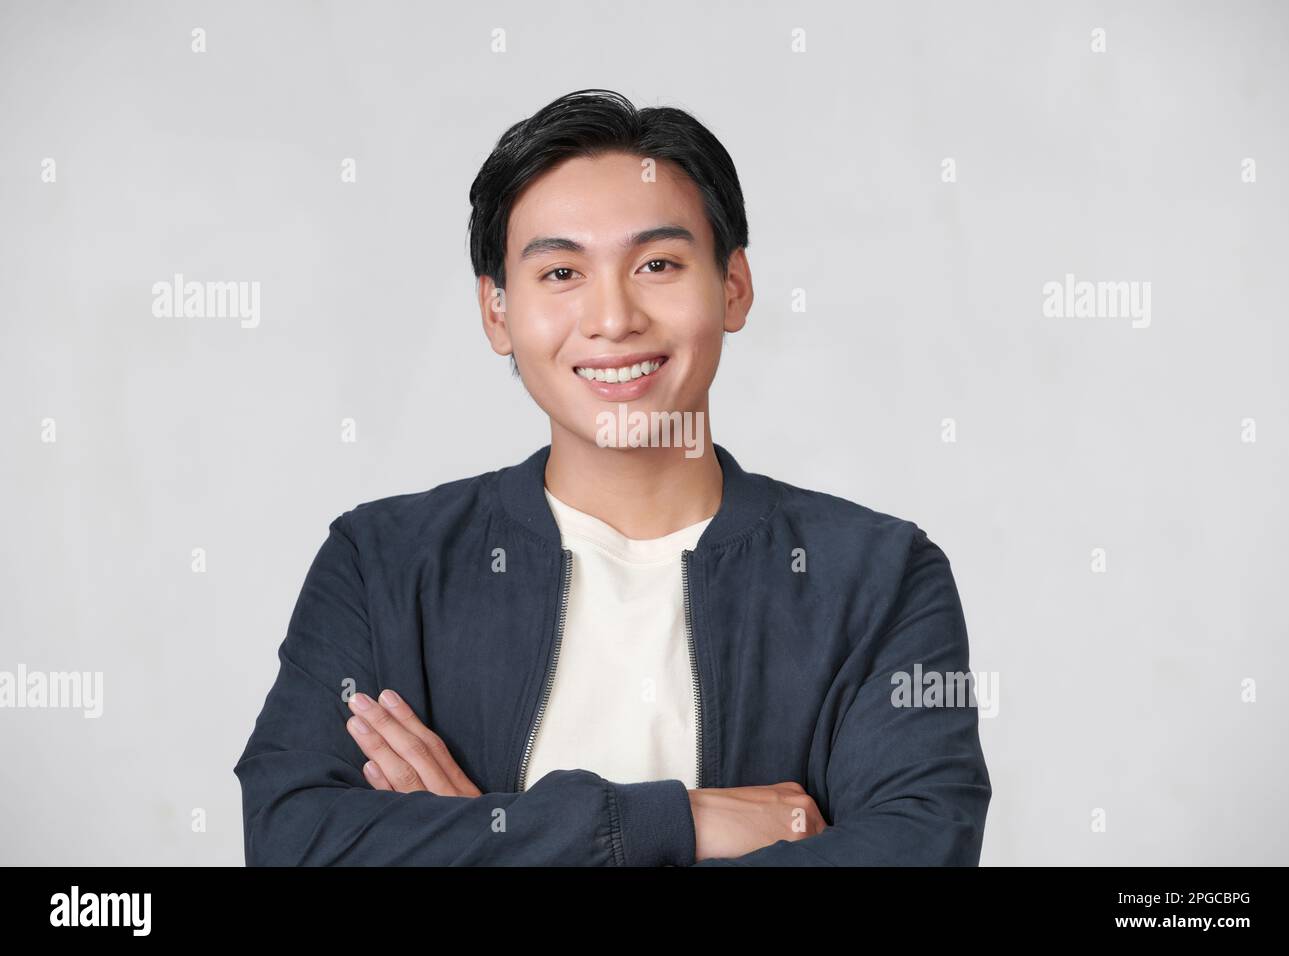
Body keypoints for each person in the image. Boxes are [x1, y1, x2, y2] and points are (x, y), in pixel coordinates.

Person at [233, 88, 992, 866]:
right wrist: (675, 826)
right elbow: (294, 840)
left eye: (658, 264)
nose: (613, 316)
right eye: (560, 272)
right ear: (497, 312)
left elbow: (919, 848)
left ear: (734, 286)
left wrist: (490, 839)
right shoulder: (383, 563)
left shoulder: (880, 577)